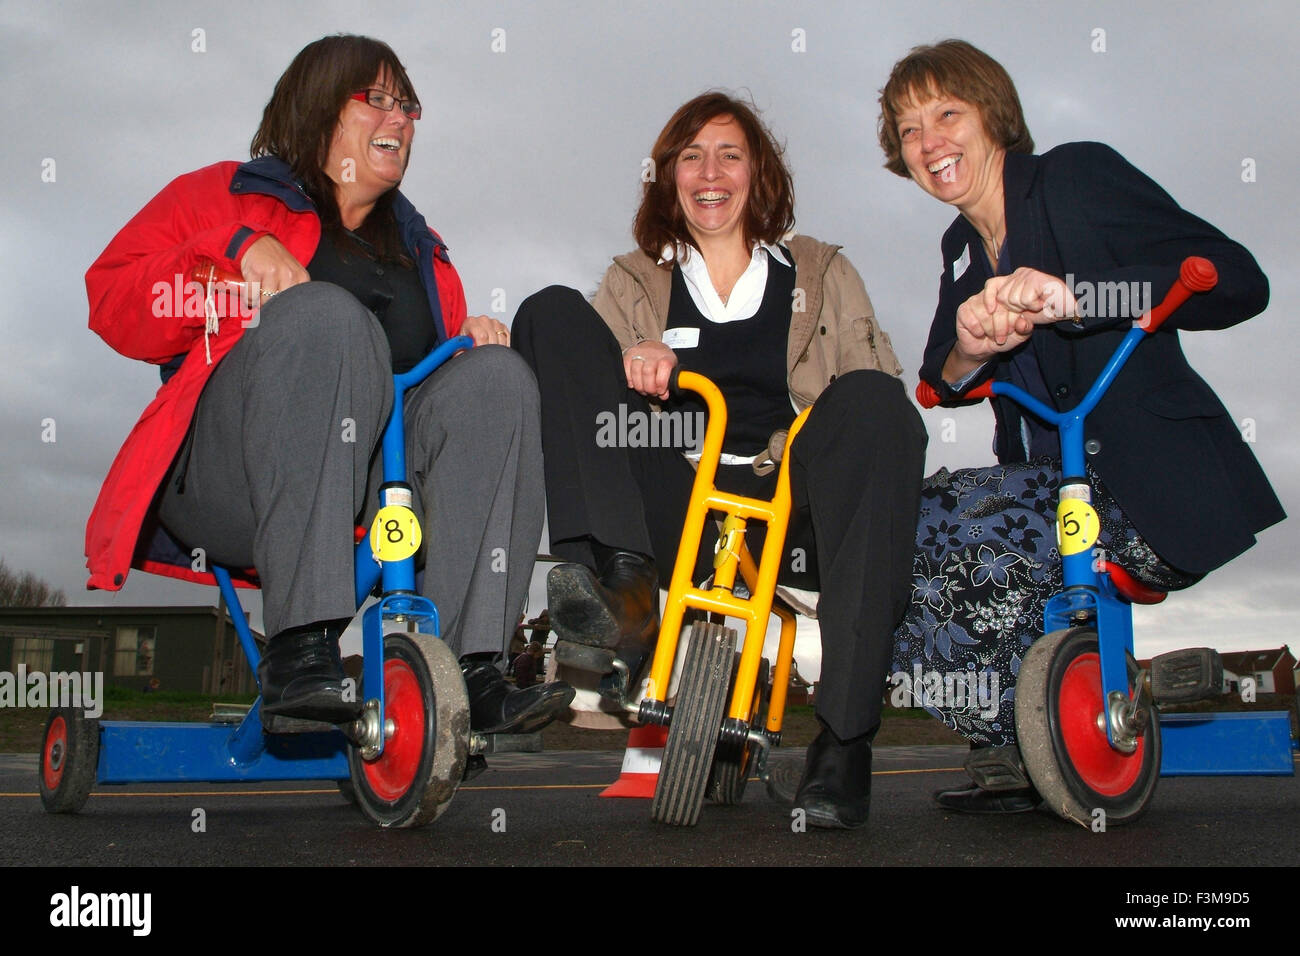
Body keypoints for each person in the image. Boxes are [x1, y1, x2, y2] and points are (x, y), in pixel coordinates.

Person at [85, 35, 573, 733]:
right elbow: (111, 299)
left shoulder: (426, 256)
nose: (399, 119)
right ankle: (300, 646)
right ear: (317, 106)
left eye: (408, 106)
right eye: (375, 99)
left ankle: (473, 669)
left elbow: (431, 413)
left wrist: (467, 354)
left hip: (369, 492)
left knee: (499, 378)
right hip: (232, 478)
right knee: (325, 317)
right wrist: (230, 255)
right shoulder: (229, 198)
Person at [878, 40, 1284, 813]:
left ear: (992, 116)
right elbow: (940, 377)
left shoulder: (1075, 176)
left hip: (1146, 485)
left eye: (945, 114)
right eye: (907, 130)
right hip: (1046, 495)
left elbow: (1239, 279)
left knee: (950, 526)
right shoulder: (961, 248)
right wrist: (969, 343)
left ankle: (1048, 719)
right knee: (890, 531)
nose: (927, 143)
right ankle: (1021, 733)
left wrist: (1080, 297)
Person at [514, 92, 927, 828]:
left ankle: (845, 740)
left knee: (873, 402)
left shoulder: (823, 273)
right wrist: (629, 359)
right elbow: (590, 410)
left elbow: (872, 407)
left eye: (730, 154)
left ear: (758, 173)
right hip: (673, 504)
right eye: (691, 155)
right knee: (548, 311)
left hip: (790, 510)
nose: (711, 172)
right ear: (667, 175)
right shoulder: (634, 282)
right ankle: (627, 599)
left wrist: (826, 419)